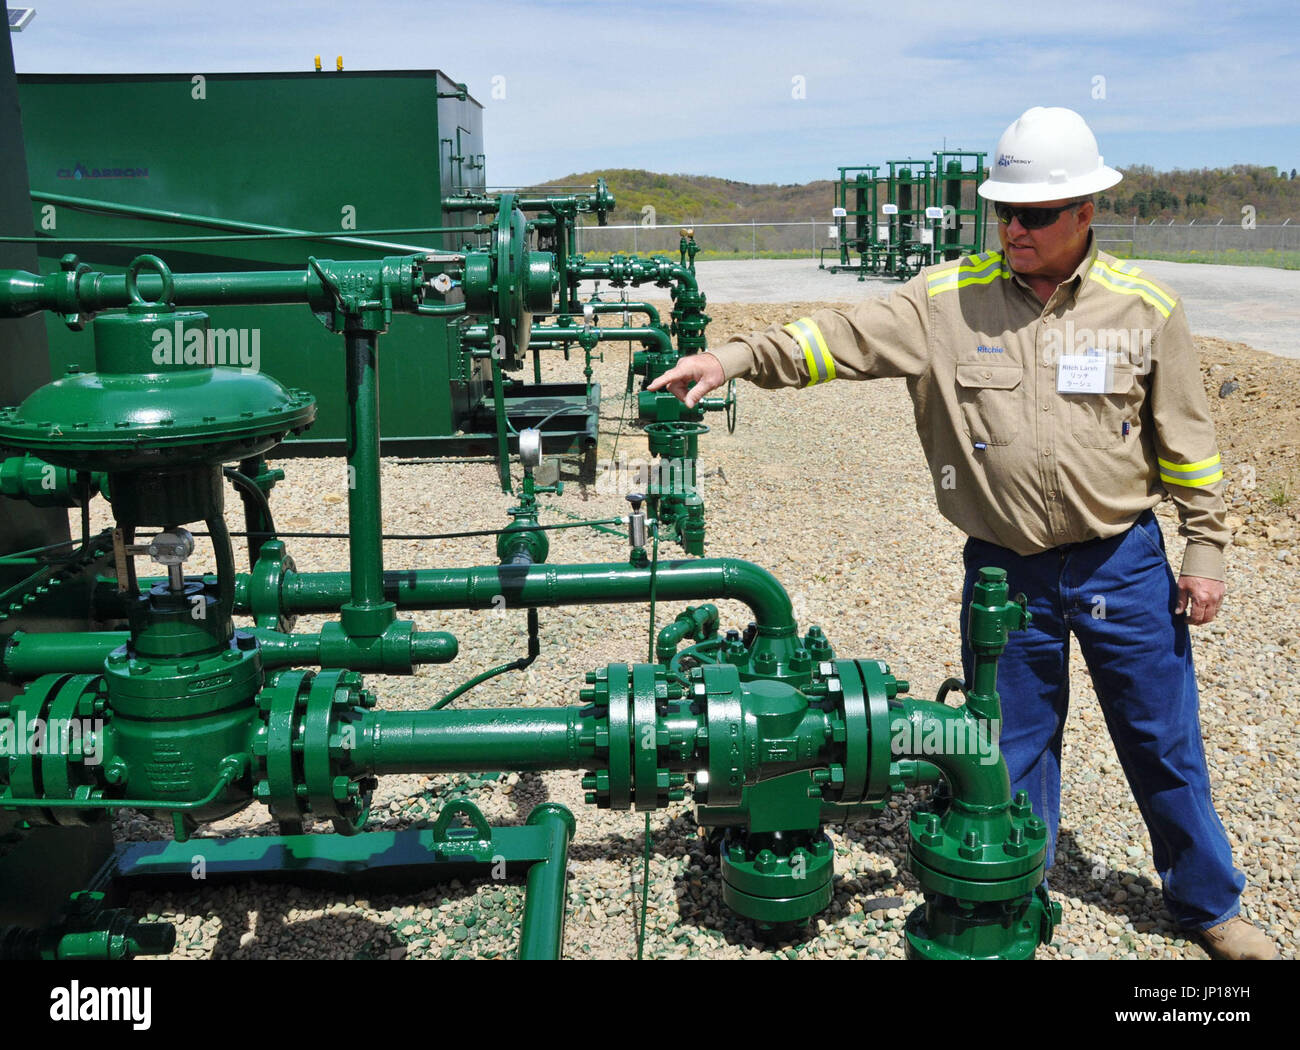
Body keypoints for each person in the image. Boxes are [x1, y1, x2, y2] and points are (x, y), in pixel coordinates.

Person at [647, 106, 1275, 960]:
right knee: (1005, 752)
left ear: (1086, 210)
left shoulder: (1144, 309)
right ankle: (1020, 894)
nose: (1013, 229)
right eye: (1003, 212)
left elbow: (1190, 442)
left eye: (1034, 214)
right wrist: (734, 359)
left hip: (1121, 563)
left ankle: (1210, 906)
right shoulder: (945, 303)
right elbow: (837, 337)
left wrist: (1205, 551)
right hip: (1004, 577)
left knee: (1163, 742)